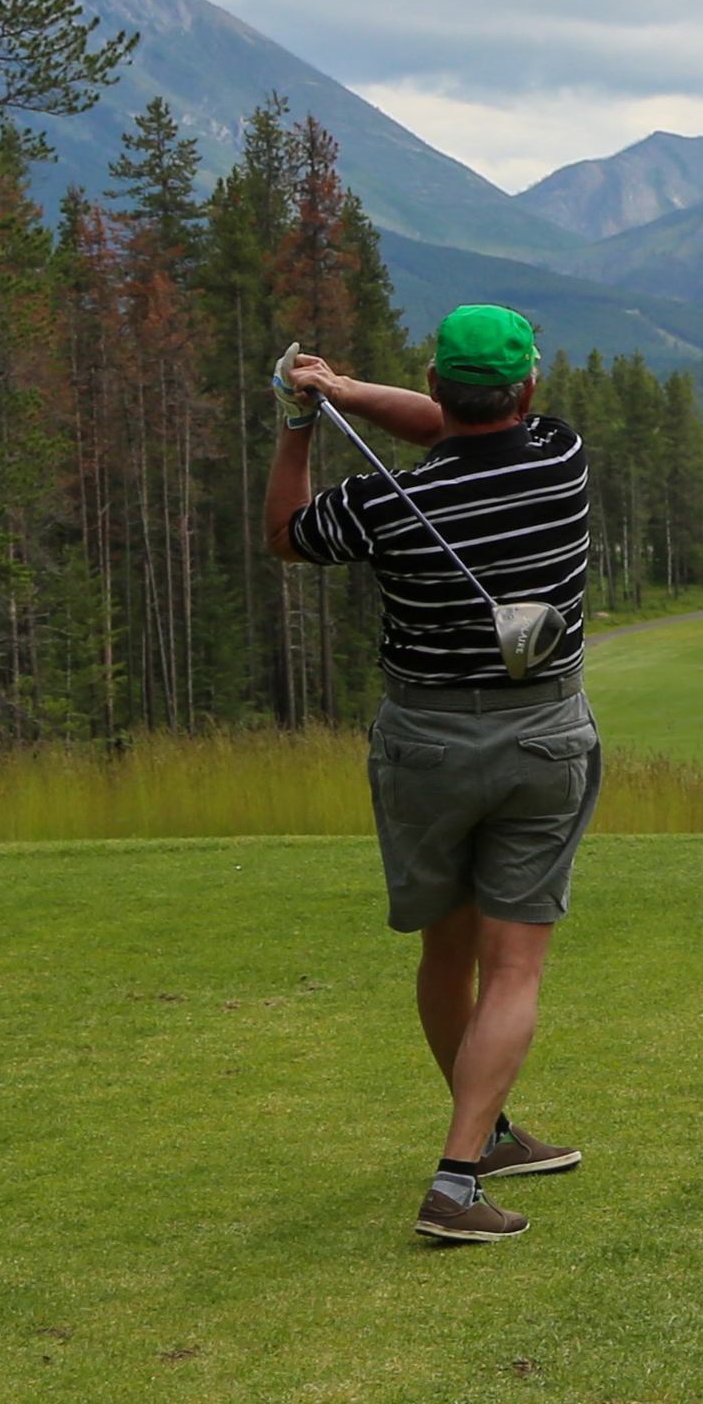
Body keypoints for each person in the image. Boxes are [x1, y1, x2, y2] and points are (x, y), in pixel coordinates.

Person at [273, 304, 600, 1246]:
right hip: (542, 737)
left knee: (449, 955)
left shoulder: (383, 505)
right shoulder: (560, 455)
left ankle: (488, 1137)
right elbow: (451, 422)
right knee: (515, 968)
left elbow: (287, 532)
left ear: (434, 379)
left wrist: (308, 416)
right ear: (528, 389)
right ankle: (458, 1176)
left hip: (422, 743)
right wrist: (343, 392)